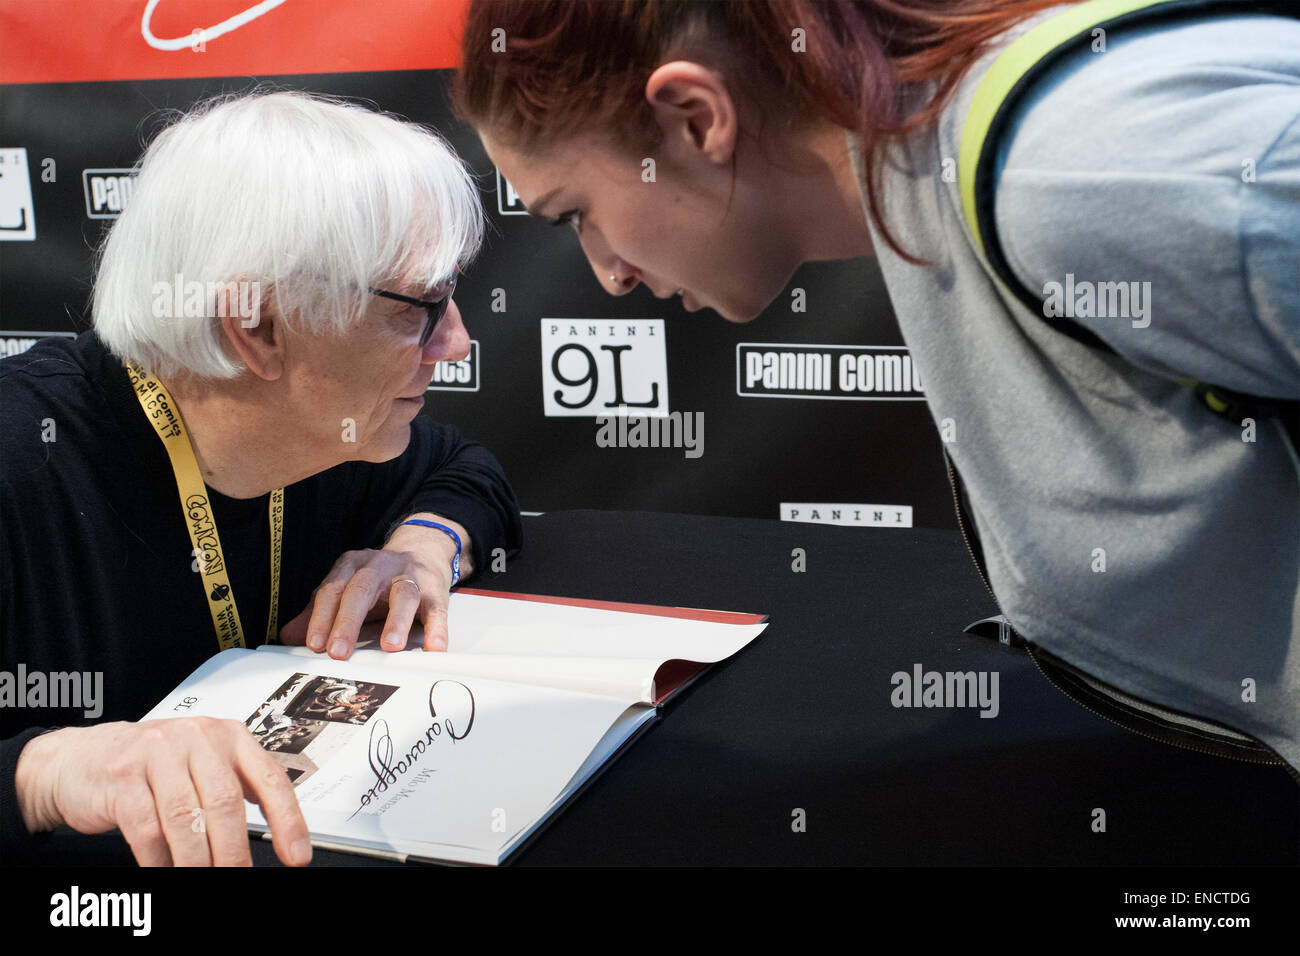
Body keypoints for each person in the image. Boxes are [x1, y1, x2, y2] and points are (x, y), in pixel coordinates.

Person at [452, 1, 1300, 776]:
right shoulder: (958, 168)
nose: (609, 276)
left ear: (694, 118)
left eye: (576, 212)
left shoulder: (1069, 173)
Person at [0, 91, 523, 865]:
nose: (455, 342)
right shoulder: (21, 464)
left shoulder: (328, 436)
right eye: (422, 305)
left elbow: (463, 471)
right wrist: (39, 773)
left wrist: (420, 548)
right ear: (258, 327)